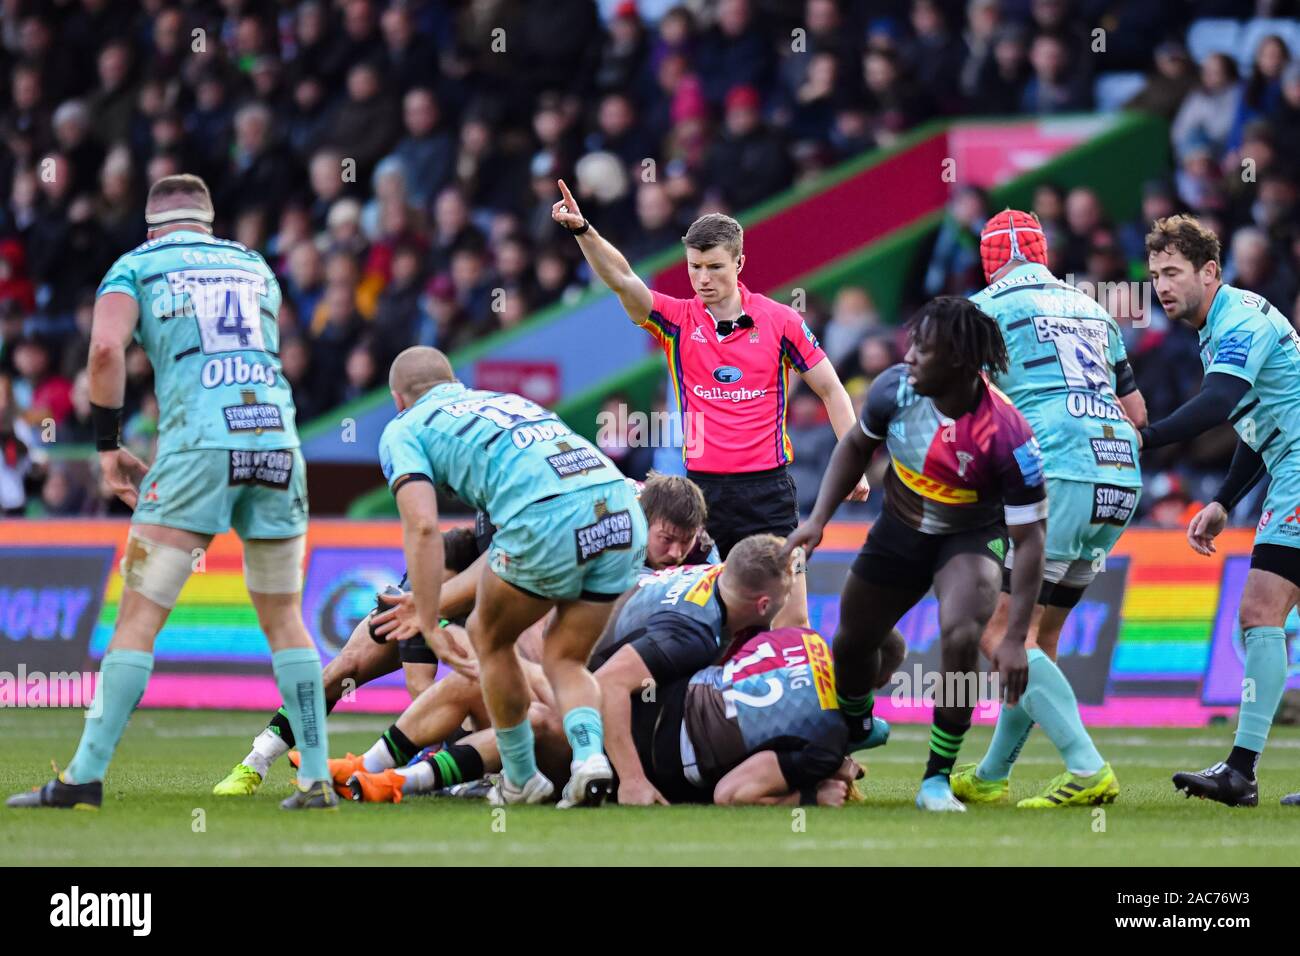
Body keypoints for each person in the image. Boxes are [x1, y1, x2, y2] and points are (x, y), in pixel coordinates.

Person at [8, 174, 335, 811]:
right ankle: (315, 778)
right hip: (277, 447)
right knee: (286, 618)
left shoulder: (137, 265)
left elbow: (106, 349)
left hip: (196, 451)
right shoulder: (254, 265)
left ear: (152, 225)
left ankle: (82, 778)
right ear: (208, 223)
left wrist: (108, 444)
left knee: (139, 615)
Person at [552, 179, 867, 634]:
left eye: (714, 267)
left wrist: (854, 464)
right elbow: (622, 278)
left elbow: (833, 390)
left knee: (791, 617)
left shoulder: (781, 321)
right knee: (706, 621)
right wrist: (583, 230)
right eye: (694, 267)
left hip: (769, 494)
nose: (703, 279)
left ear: (739, 263)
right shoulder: (676, 321)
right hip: (702, 496)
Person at [784, 296, 1048, 812]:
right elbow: (855, 446)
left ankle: (936, 779)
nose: (908, 357)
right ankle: (858, 722)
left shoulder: (1008, 435)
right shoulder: (894, 388)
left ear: (958, 360)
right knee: (853, 640)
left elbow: (1031, 540)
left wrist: (1016, 637)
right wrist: (816, 520)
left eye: (922, 350)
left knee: (962, 633)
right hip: (899, 530)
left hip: (970, 537)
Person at [377, 346, 647, 807]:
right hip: (621, 508)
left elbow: (422, 527)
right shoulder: (507, 401)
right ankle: (589, 760)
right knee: (566, 659)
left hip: (547, 517)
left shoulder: (403, 427)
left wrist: (428, 618)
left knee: (486, 634)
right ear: (454, 383)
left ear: (397, 399)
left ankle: (521, 776)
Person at [950, 209, 1142, 808]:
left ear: (988, 261)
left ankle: (1087, 768)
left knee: (1000, 632)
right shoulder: (1092, 308)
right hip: (1120, 474)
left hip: (1056, 473)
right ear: (1043, 254)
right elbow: (1137, 413)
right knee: (1039, 637)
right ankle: (991, 775)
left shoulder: (980, 311)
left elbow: (962, 412)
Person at [1136, 215, 1300, 808]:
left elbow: (1218, 403)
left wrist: (1145, 437)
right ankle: (1241, 772)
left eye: (1173, 272)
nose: (1162, 286)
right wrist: (1224, 499)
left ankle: (1240, 772)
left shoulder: (1239, 320)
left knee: (1260, 611)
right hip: (1288, 465)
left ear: (1210, 271)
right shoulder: (1216, 328)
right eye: (1155, 275)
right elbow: (1258, 424)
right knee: (1263, 614)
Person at [210, 525, 481, 796]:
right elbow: (420, 687)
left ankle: (463, 769)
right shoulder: (426, 577)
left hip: (489, 601)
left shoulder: (497, 543)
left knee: (481, 692)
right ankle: (255, 763)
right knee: (343, 670)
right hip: (428, 603)